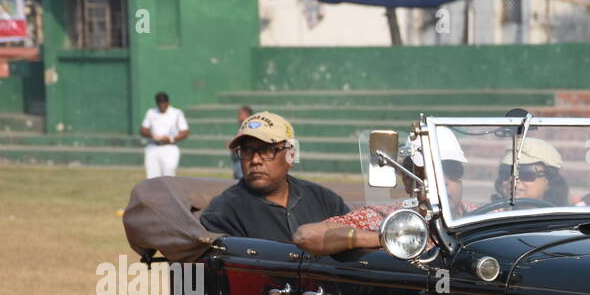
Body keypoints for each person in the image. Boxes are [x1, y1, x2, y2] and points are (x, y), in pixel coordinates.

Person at [293, 126, 473, 256]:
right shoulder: (384, 218)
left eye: (453, 172)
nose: (446, 182)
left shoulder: (478, 216)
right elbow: (306, 236)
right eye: (433, 173)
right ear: (408, 181)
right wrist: (391, 238)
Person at [201, 111, 349, 242]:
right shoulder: (221, 214)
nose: (255, 160)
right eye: (247, 151)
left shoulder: (325, 201)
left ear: (291, 155)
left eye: (267, 150)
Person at [494, 137, 569, 207]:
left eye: (526, 174)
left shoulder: (565, 219)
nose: (512, 180)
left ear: (549, 182)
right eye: (505, 173)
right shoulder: (490, 217)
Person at [140, 92, 189, 178]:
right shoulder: (151, 113)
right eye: (160, 103)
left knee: (168, 175)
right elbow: (143, 130)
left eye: (164, 103)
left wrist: (171, 139)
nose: (162, 105)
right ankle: (154, 192)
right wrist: (152, 135)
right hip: (153, 147)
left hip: (170, 147)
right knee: (152, 177)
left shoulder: (176, 113)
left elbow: (185, 132)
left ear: (168, 102)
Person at [231, 105, 253, 180]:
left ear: (248, 115)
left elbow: (249, 145)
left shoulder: (251, 128)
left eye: (240, 114)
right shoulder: (242, 128)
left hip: (244, 165)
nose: (238, 117)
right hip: (238, 165)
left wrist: (233, 146)